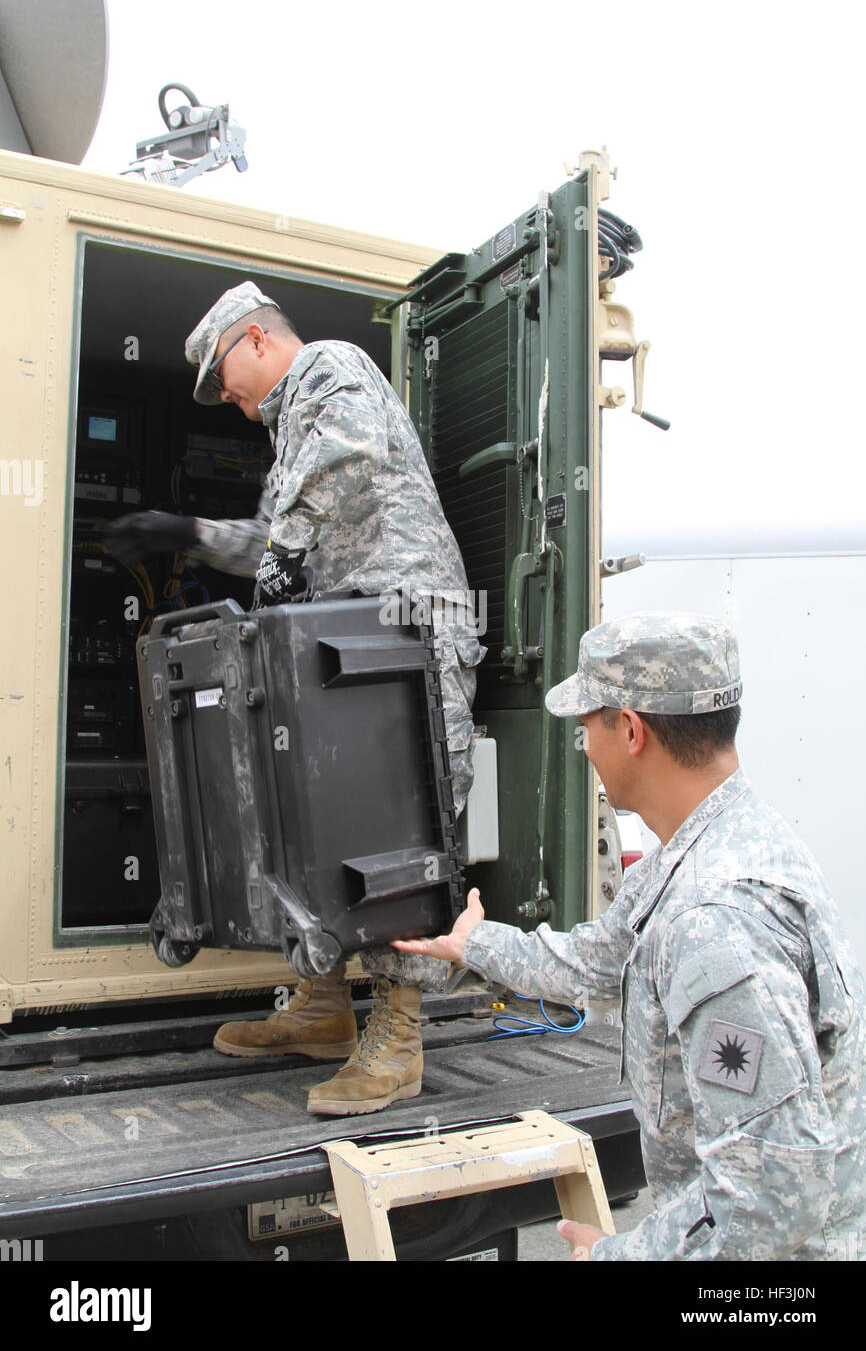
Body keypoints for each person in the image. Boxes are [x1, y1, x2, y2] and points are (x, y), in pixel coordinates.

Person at [106, 281, 484, 1117]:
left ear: (253, 339)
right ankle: (320, 1006)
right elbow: (282, 540)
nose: (230, 402)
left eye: (223, 377)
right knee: (323, 822)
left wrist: (282, 549)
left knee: (406, 833)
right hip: (348, 642)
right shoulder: (294, 442)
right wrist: (189, 534)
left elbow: (334, 475)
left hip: (411, 630)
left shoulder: (330, 370)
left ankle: (400, 1032)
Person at [392, 612, 866, 1260]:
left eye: (588, 725)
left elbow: (775, 1194)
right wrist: (474, 943)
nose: (583, 746)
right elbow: (596, 962)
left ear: (632, 730)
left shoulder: (715, 919)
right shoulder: (718, 843)